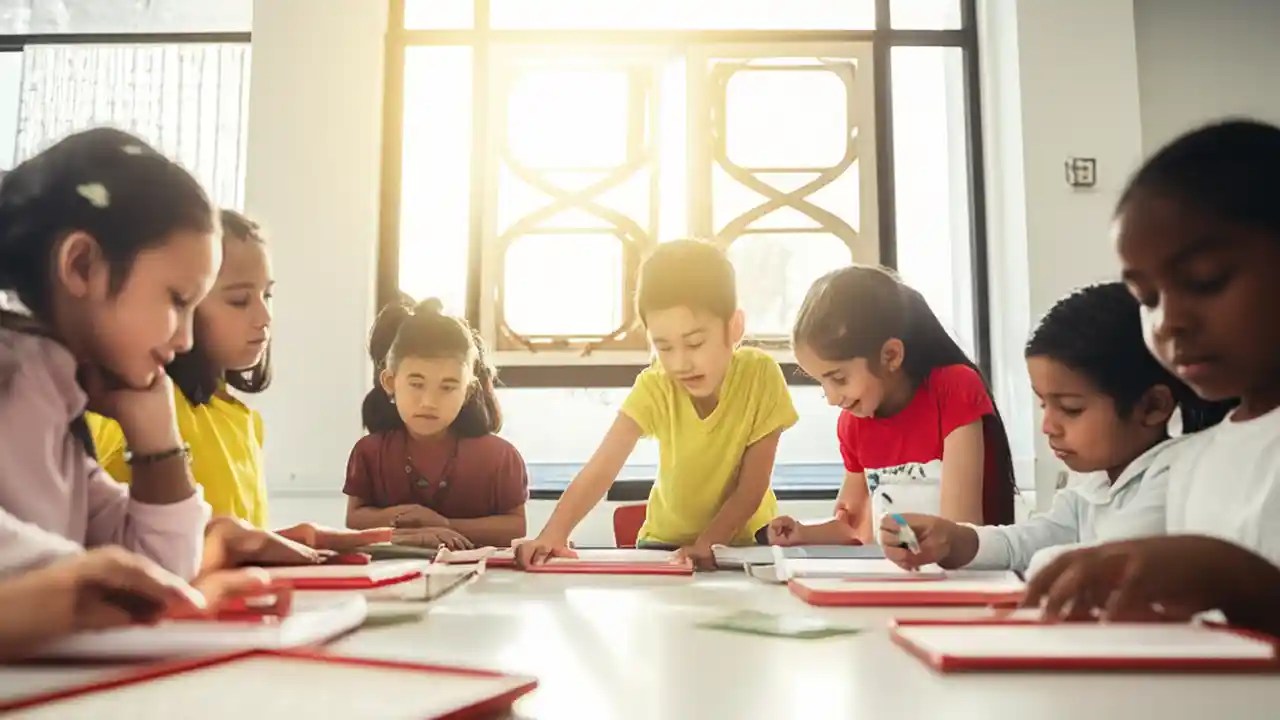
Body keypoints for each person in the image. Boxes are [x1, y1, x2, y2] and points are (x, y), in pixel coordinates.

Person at [1024, 120, 1280, 633]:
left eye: (1205, 281)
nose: (1168, 320)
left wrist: (1236, 579)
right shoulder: (1198, 461)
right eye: (1148, 299)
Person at [878, 283, 1228, 574]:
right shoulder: (1093, 482)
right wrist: (954, 540)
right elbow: (1033, 538)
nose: (1048, 426)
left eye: (1071, 409)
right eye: (1044, 404)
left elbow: (1111, 565)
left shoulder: (1174, 475)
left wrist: (1042, 558)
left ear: (1152, 406)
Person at [516, 240, 798, 569]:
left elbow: (751, 487)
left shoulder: (760, 375)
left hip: (747, 546)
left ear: (734, 327)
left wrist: (707, 544)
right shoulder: (655, 384)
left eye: (695, 342)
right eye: (663, 347)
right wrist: (553, 534)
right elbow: (601, 468)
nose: (680, 363)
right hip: (663, 545)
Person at [769, 266, 1016, 547]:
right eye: (820, 383)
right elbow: (855, 529)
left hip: (963, 577)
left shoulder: (954, 388)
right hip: (896, 577)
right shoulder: (854, 422)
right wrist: (803, 533)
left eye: (839, 378)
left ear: (891, 355)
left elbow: (959, 531)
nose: (832, 398)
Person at [91, 209, 273, 527]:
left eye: (267, 295)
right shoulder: (138, 410)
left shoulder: (246, 423)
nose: (265, 317)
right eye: (240, 300)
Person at [345, 298, 528, 549]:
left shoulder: (500, 456)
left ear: (467, 391)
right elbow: (355, 520)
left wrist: (444, 524)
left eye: (448, 387)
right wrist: (408, 516)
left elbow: (515, 527)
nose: (429, 402)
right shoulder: (369, 451)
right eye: (417, 384)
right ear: (390, 382)